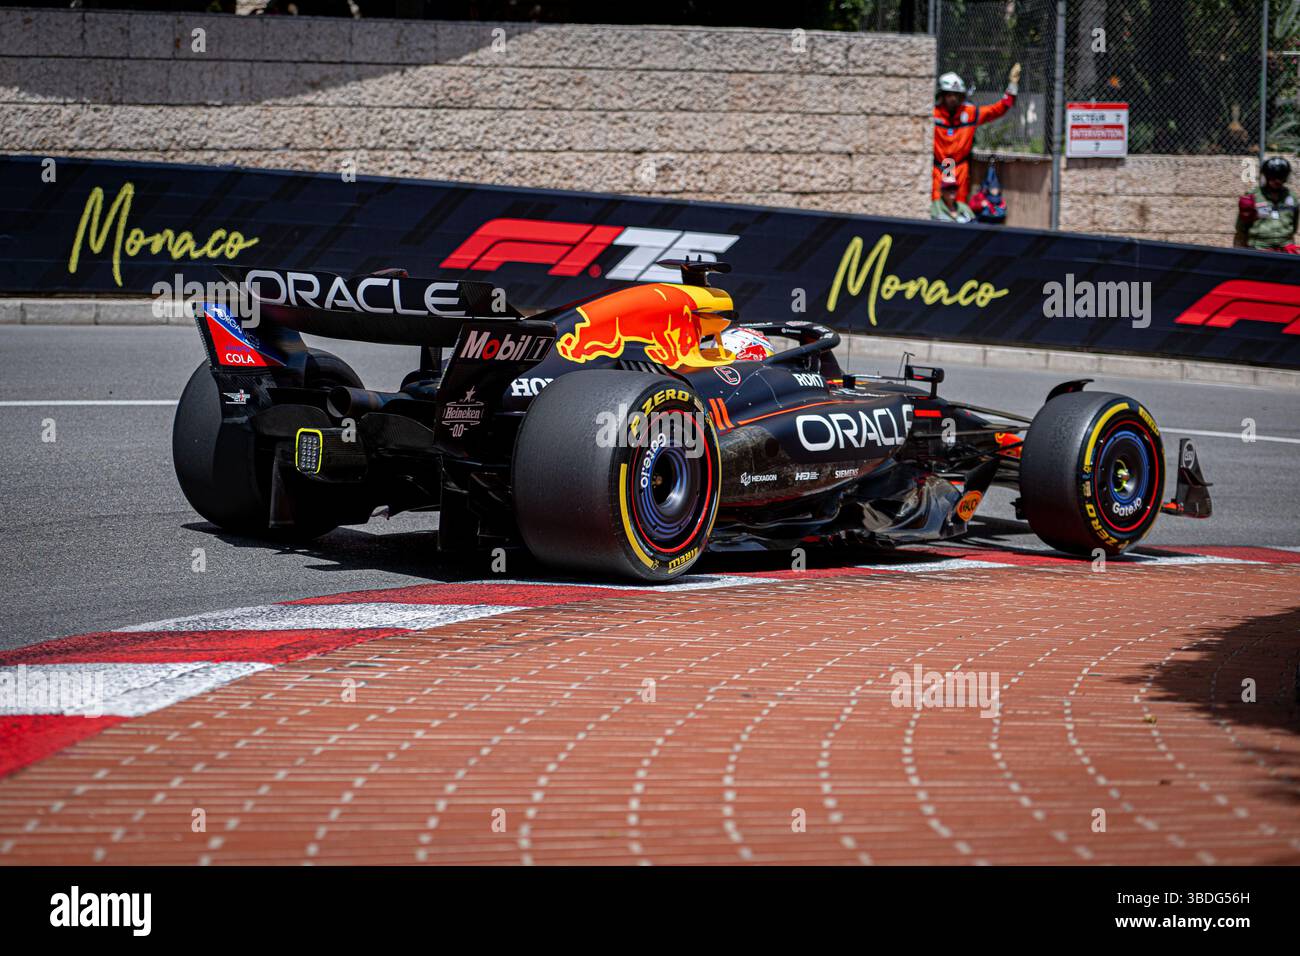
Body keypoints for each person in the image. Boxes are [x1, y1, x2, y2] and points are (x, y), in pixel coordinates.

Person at [934, 63, 1021, 204]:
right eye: (949, 94)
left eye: (956, 95)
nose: (953, 98)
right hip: (938, 168)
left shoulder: (969, 113)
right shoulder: (932, 115)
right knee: (936, 207)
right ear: (942, 95)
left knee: (960, 205)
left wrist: (1012, 86)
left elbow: (998, 109)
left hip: (960, 169)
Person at [1235, 157, 1299, 253]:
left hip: (1285, 247)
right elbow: (1241, 227)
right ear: (1267, 176)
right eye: (1273, 177)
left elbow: (1294, 225)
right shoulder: (1253, 197)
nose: (1277, 181)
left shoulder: (1291, 197)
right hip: (1260, 248)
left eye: (1280, 177)